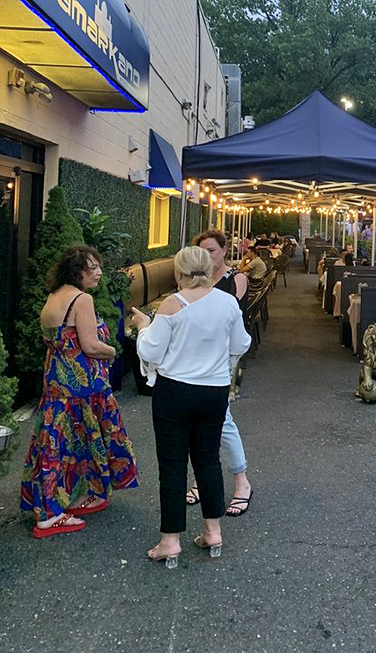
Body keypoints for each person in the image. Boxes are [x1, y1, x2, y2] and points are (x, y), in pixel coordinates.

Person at [132, 246, 250, 567]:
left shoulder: (173, 303)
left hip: (175, 392)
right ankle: (213, 531)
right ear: (211, 269)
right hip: (213, 391)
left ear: (178, 272)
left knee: (172, 465)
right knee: (208, 460)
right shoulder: (228, 303)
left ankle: (170, 541)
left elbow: (153, 352)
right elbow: (241, 344)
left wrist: (144, 326)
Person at [21, 245, 138, 538]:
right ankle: (57, 513)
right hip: (84, 387)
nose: (98, 272)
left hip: (56, 383)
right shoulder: (82, 299)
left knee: (55, 444)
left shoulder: (54, 296)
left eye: (98, 266)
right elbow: (91, 346)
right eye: (92, 268)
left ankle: (52, 506)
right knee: (93, 437)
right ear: (76, 271)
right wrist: (113, 351)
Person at [184, 229, 253, 517]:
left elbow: (227, 319)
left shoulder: (235, 279)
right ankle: (206, 478)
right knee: (199, 422)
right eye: (203, 251)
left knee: (221, 421)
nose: (207, 256)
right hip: (192, 362)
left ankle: (241, 482)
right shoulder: (195, 281)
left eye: (212, 250)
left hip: (221, 360)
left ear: (224, 250)